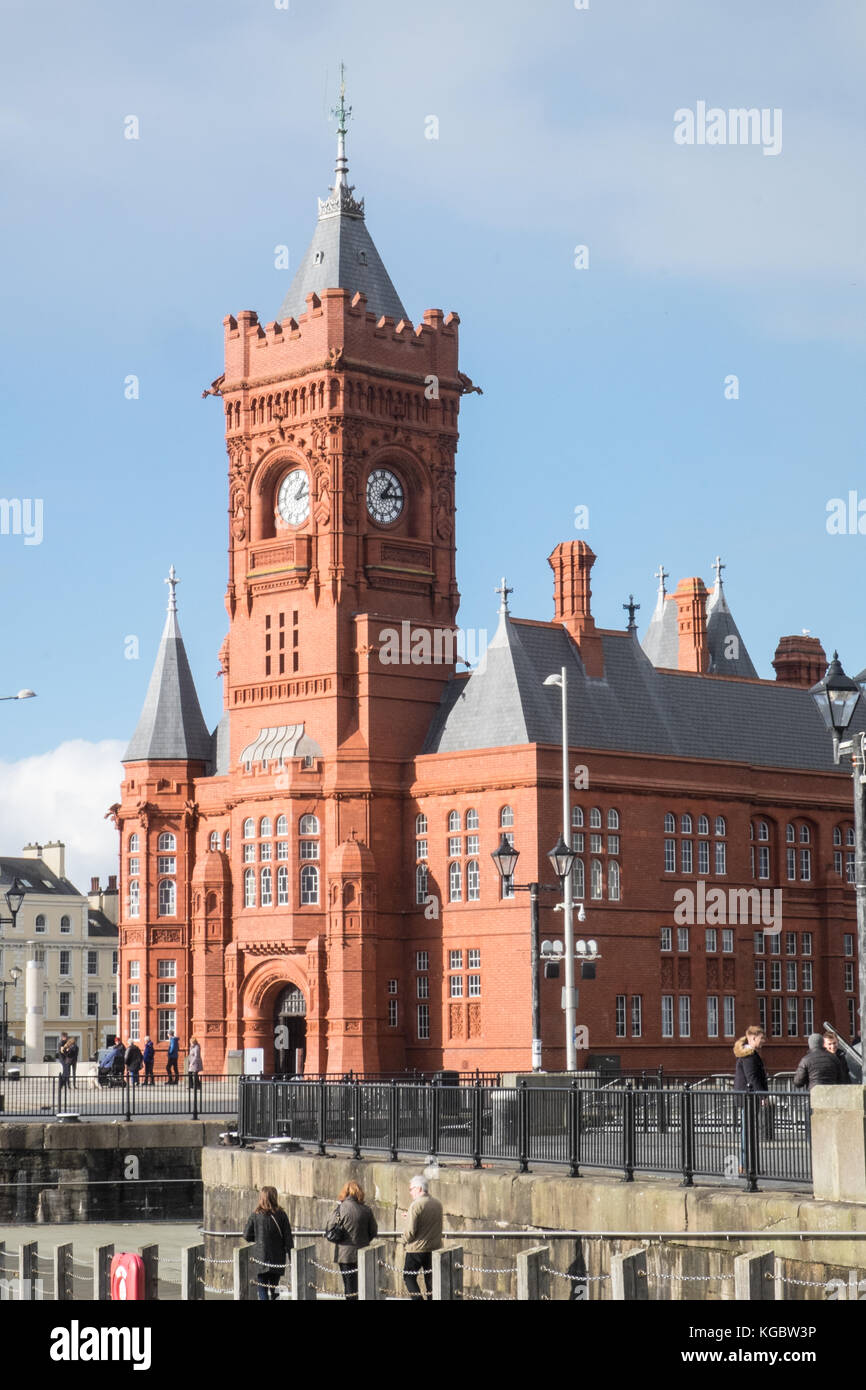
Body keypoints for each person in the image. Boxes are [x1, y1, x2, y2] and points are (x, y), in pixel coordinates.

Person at [327, 1180, 377, 1300]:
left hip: (345, 1254)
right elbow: (373, 1231)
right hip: (363, 1252)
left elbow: (329, 1228)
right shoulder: (366, 1210)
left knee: (349, 1286)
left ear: (345, 1192)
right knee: (363, 1285)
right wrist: (364, 1241)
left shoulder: (340, 1209)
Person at [243, 1186, 294, 1300]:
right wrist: (292, 1259)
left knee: (262, 1288)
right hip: (277, 1259)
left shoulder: (255, 1215)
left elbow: (246, 1235)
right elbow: (288, 1239)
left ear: (261, 1198)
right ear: (274, 1197)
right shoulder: (281, 1214)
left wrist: (258, 1239)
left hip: (261, 1259)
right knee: (275, 1288)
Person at [733, 1025, 768, 1174]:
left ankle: (747, 1165)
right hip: (748, 1098)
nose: (763, 1041)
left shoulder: (749, 1054)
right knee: (748, 1133)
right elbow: (752, 1077)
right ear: (753, 1038)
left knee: (748, 1132)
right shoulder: (749, 1055)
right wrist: (762, 1095)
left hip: (747, 1097)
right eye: (761, 1038)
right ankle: (746, 1165)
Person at [402, 1175, 443, 1301]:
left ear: (419, 1189)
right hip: (434, 1248)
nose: (410, 1193)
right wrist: (409, 1216)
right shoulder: (437, 1204)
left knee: (408, 1277)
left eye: (411, 1189)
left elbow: (410, 1231)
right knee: (430, 1280)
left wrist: (403, 1240)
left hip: (416, 1249)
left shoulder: (416, 1205)